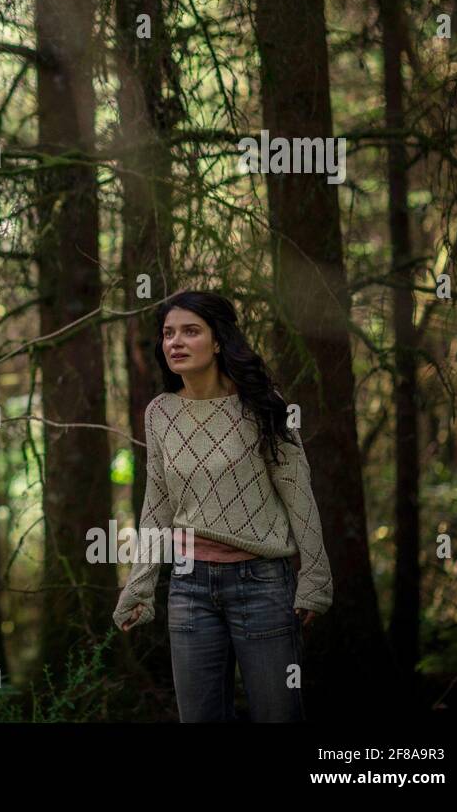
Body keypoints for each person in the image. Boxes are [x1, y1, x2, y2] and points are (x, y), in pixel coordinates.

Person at [113, 289, 333, 722]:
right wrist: (139, 585)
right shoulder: (160, 413)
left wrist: (316, 579)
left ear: (218, 341)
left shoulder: (264, 406)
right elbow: (156, 502)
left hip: (264, 583)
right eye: (168, 333)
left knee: (278, 714)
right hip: (189, 586)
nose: (175, 342)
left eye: (190, 331)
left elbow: (298, 494)